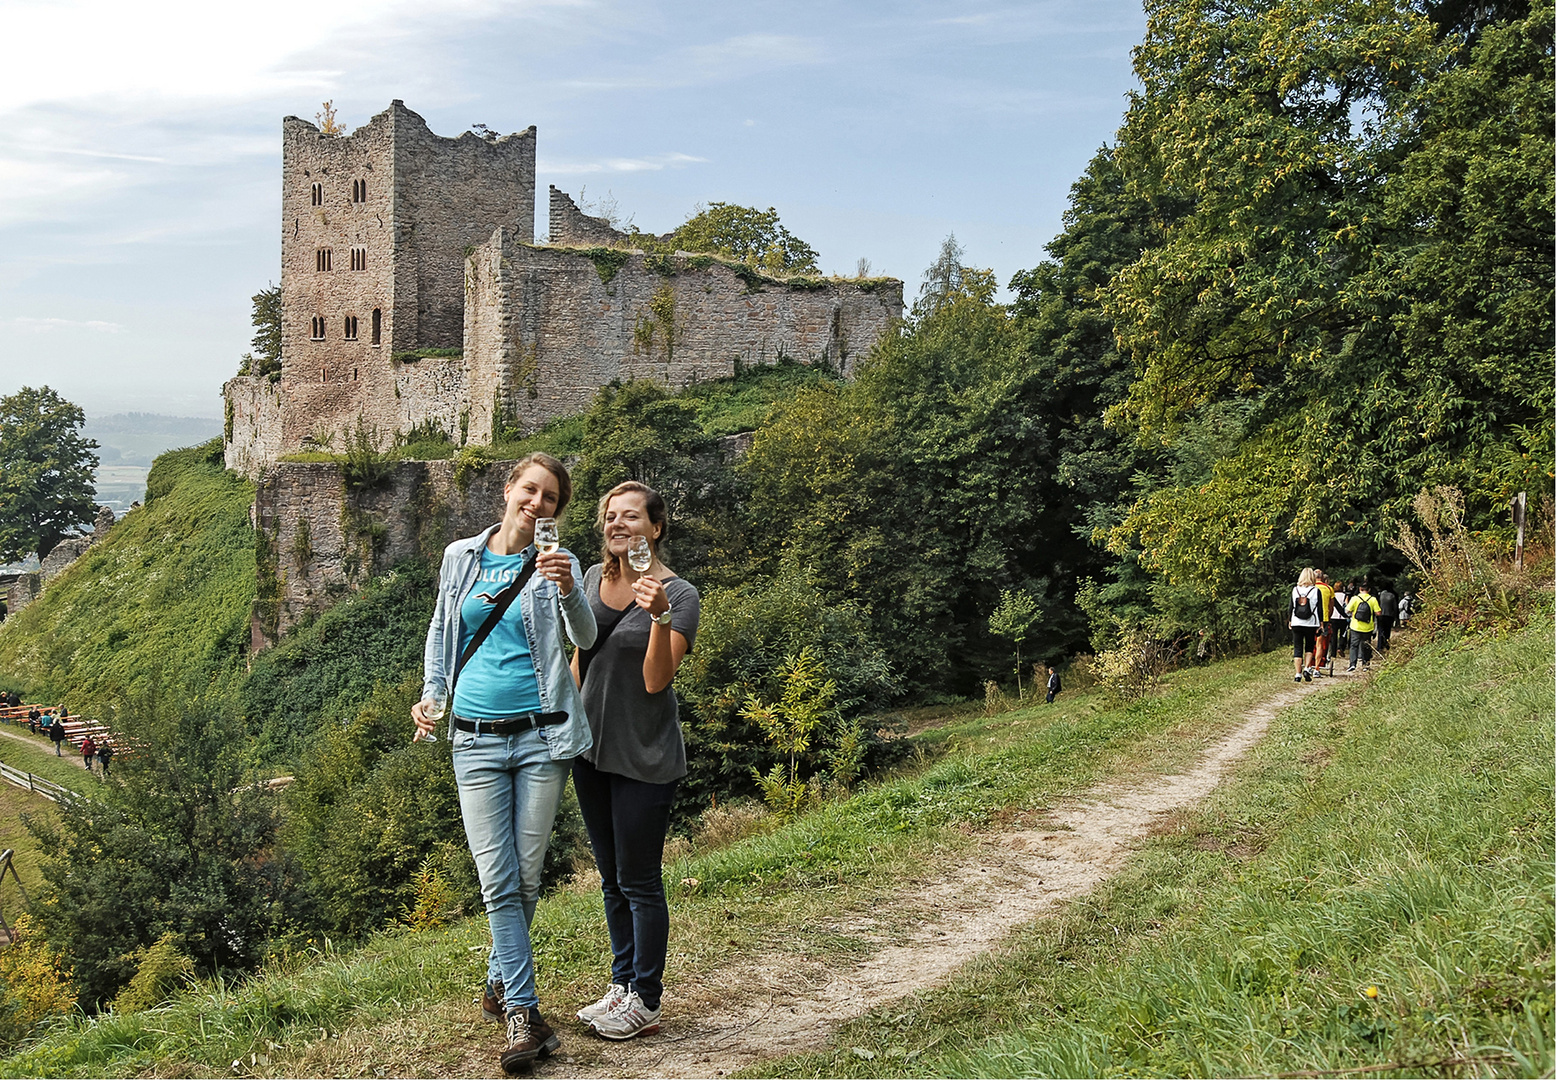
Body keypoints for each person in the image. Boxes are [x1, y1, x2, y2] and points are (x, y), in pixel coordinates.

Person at [412, 452, 597, 1075]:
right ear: (509, 490)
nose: (537, 502)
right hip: (475, 739)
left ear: (556, 511)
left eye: (550, 498)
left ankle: (499, 984)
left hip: (543, 738)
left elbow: (586, 638)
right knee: (500, 880)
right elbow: (444, 630)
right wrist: (433, 696)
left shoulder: (561, 566)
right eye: (530, 489)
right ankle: (523, 1013)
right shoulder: (461, 556)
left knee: (524, 875)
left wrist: (569, 589)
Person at [570, 481, 701, 1042]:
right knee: (609, 878)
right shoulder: (591, 580)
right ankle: (622, 983)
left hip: (644, 755)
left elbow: (654, 679)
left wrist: (660, 617)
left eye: (630, 517)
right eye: (610, 516)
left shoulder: (680, 595)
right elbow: (580, 659)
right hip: (591, 752)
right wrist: (566, 725)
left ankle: (646, 996)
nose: (617, 524)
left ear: (656, 527)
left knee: (640, 880)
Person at [1289, 568, 1322, 682]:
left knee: (1298, 647)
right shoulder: (1316, 591)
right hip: (1311, 622)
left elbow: (1291, 607)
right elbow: (1320, 609)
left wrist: (1290, 620)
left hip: (1296, 622)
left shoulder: (1295, 590)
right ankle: (1307, 668)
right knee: (1309, 646)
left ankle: (1297, 674)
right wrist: (1321, 623)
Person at [1346, 582, 1382, 672]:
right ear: (1369, 590)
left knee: (1354, 645)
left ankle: (1352, 664)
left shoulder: (1355, 598)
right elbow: (1378, 613)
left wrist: (1353, 612)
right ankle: (1365, 664)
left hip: (1355, 626)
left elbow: (1347, 610)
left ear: (1360, 589)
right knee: (1366, 646)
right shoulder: (1373, 599)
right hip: (1368, 627)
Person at [1312, 571, 1336, 674]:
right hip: (1324, 619)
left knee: (1309, 643)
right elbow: (1331, 606)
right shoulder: (1329, 589)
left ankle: (1308, 665)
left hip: (1311, 619)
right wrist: (1328, 616)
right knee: (1320, 644)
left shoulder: (1310, 587)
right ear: (1322, 577)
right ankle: (1317, 668)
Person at [1374, 583, 1398, 652]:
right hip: (1389, 615)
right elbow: (1395, 607)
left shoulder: (1380, 595)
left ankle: (1379, 646)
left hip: (1380, 615)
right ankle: (1386, 644)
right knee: (1387, 630)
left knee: (1380, 630)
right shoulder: (1392, 596)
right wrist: (1395, 616)